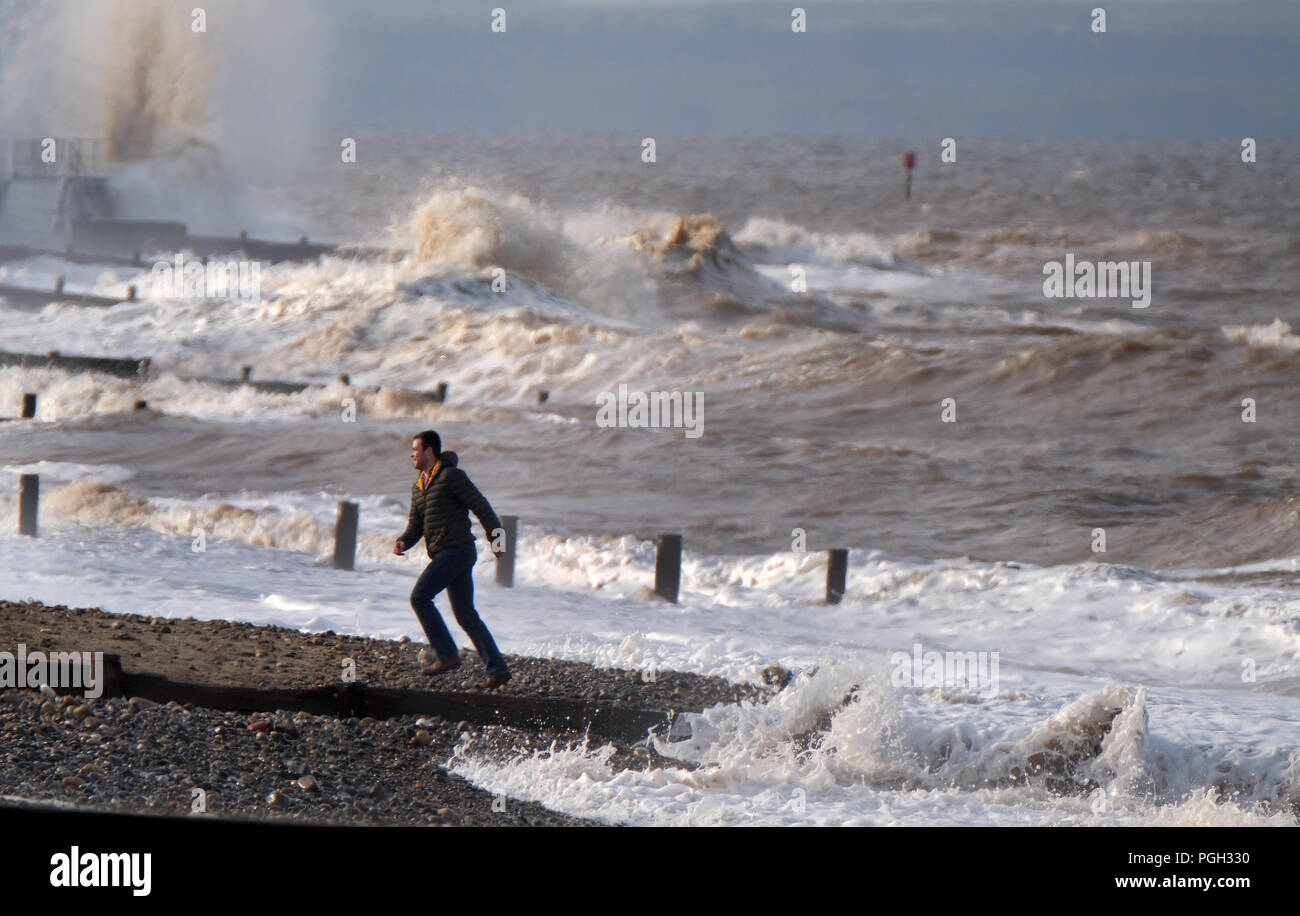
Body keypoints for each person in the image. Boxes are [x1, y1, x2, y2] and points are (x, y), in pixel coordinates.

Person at [394, 429, 511, 688]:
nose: (411, 454)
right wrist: (404, 540)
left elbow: (480, 504)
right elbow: (416, 525)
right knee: (465, 614)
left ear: (429, 451)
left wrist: (496, 537)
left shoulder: (451, 477)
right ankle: (498, 669)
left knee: (420, 597)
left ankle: (447, 655)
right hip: (446, 553)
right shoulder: (417, 488)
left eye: (415, 449)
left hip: (457, 550)